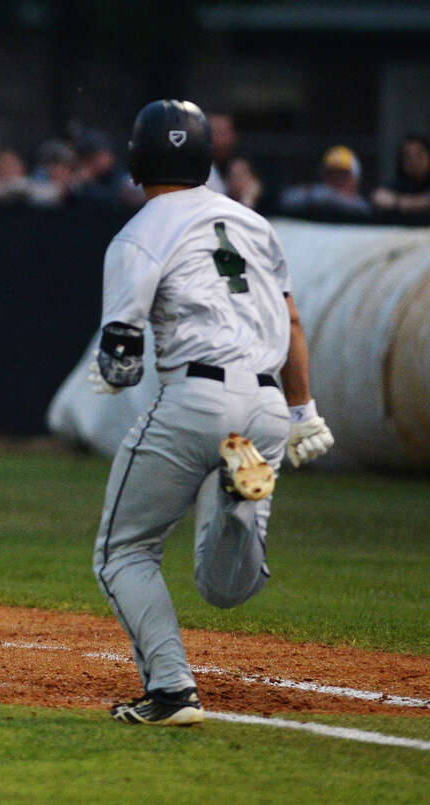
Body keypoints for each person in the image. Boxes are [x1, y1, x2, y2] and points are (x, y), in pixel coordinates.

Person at [88, 100, 334, 725]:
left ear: (139, 158)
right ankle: (234, 513)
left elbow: (122, 343)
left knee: (124, 552)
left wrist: (115, 371)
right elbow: (293, 319)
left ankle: (171, 690)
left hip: (197, 396)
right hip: (269, 403)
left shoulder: (140, 231)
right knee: (225, 589)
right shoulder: (253, 223)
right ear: (205, 156)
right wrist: (305, 411)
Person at [279, 145, 371, 216]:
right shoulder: (314, 197)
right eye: (332, 174)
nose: (337, 180)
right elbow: (287, 199)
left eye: (343, 175)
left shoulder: (361, 207)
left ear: (355, 179)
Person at [371, 134, 430, 215]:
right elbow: (379, 197)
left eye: (419, 155)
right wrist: (419, 203)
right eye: (408, 156)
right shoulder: (398, 182)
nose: (414, 161)